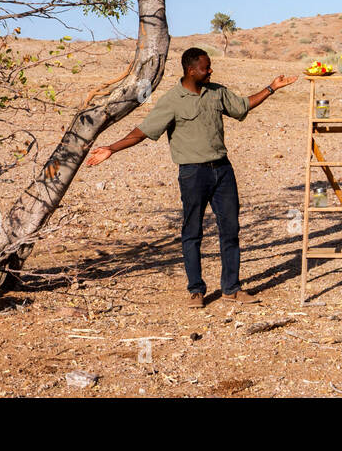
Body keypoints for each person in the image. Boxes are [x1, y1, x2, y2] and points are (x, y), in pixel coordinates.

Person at [86, 48, 296, 308]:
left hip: (223, 171)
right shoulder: (172, 100)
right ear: (190, 70)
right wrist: (111, 149)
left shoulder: (217, 92)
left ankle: (231, 288)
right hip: (193, 174)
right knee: (192, 232)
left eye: (210, 67)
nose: (210, 71)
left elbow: (242, 106)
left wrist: (271, 88)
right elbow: (142, 131)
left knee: (230, 230)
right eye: (206, 68)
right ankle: (196, 290)